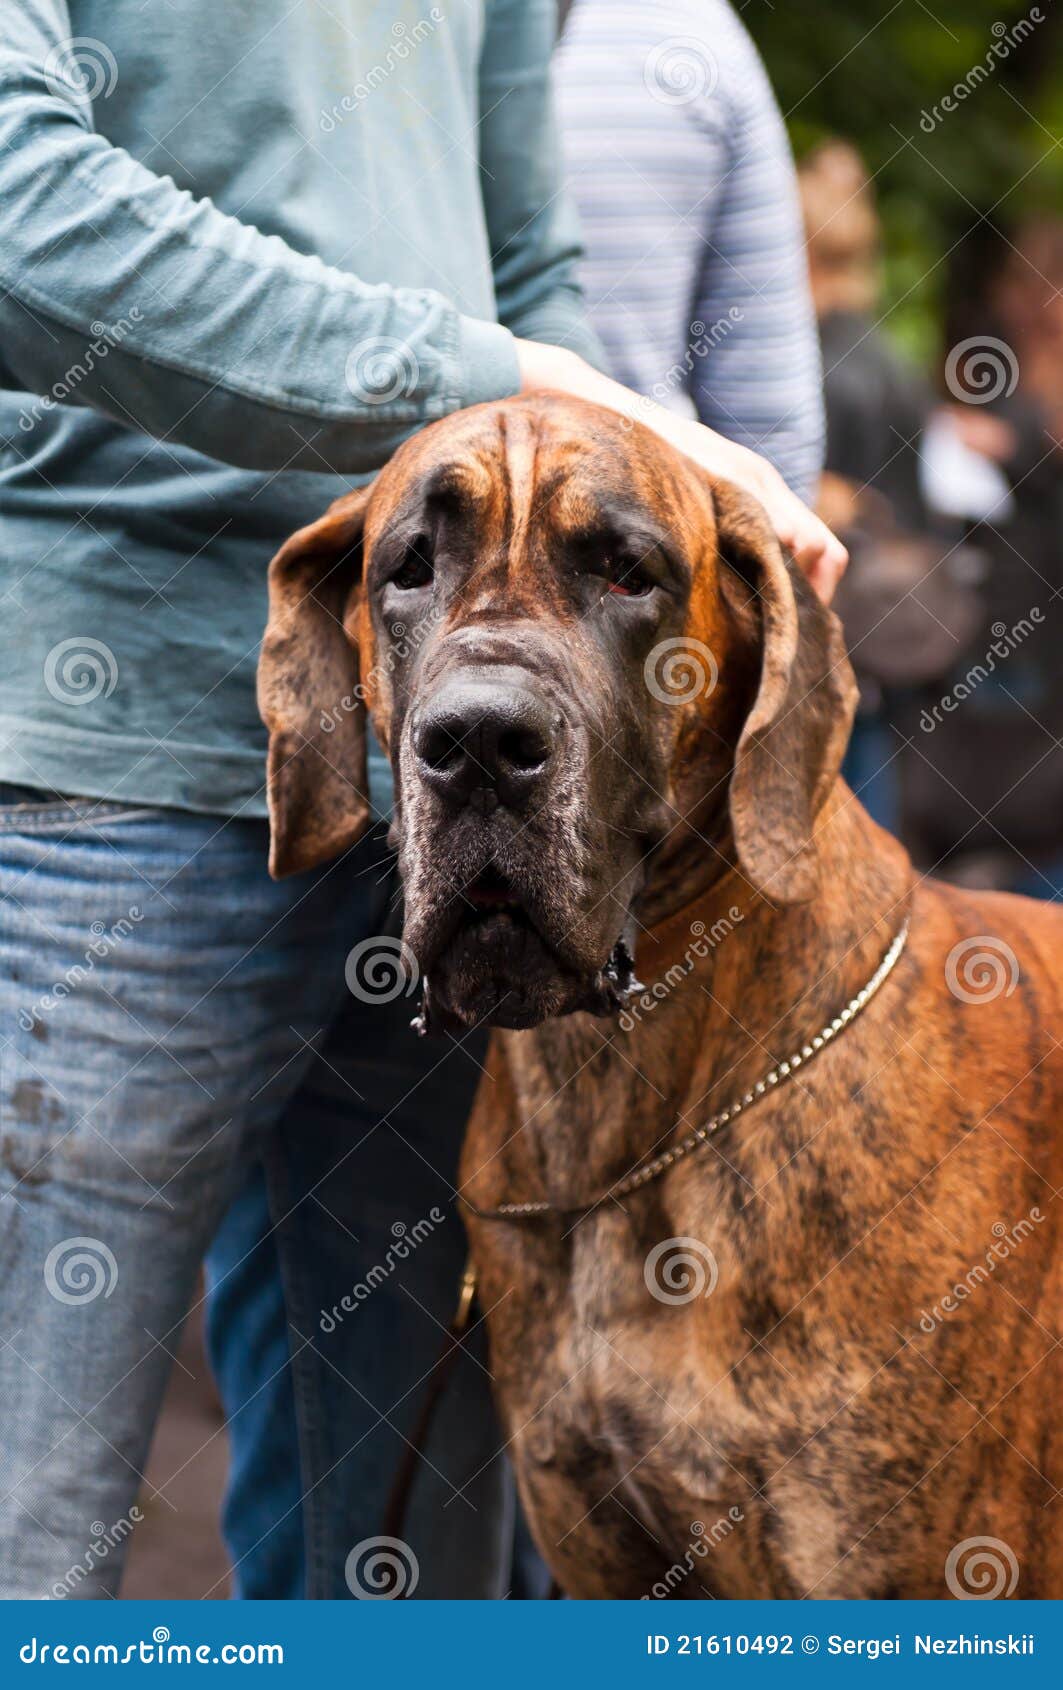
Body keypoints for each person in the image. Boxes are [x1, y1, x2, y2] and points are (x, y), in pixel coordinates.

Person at [202, 1, 842, 1601]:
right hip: (436, 775)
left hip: (670, 819)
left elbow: (761, 450)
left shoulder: (652, 44)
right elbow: (770, 425)